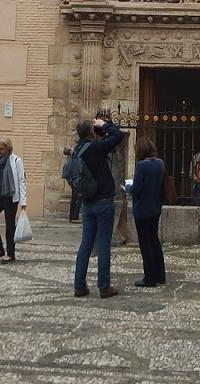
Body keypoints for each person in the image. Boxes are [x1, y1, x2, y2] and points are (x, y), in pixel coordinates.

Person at [73, 112, 127, 298]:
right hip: (103, 202)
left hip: (87, 202)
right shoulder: (96, 148)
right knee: (103, 244)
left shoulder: (77, 150)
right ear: (91, 132)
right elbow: (119, 136)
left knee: (85, 245)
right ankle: (104, 286)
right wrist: (104, 125)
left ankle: (79, 285)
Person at [131, 138, 166, 288]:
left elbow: (136, 189)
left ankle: (149, 278)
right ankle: (160, 274)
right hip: (155, 207)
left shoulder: (141, 166)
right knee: (154, 241)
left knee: (145, 244)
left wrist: (128, 188)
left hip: (142, 209)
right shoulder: (160, 163)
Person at [62, 145, 83, 223]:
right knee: (80, 197)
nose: (72, 147)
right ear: (69, 150)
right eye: (70, 147)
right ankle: (75, 216)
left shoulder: (70, 158)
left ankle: (71, 217)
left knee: (74, 198)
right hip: (76, 179)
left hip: (72, 180)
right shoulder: (74, 157)